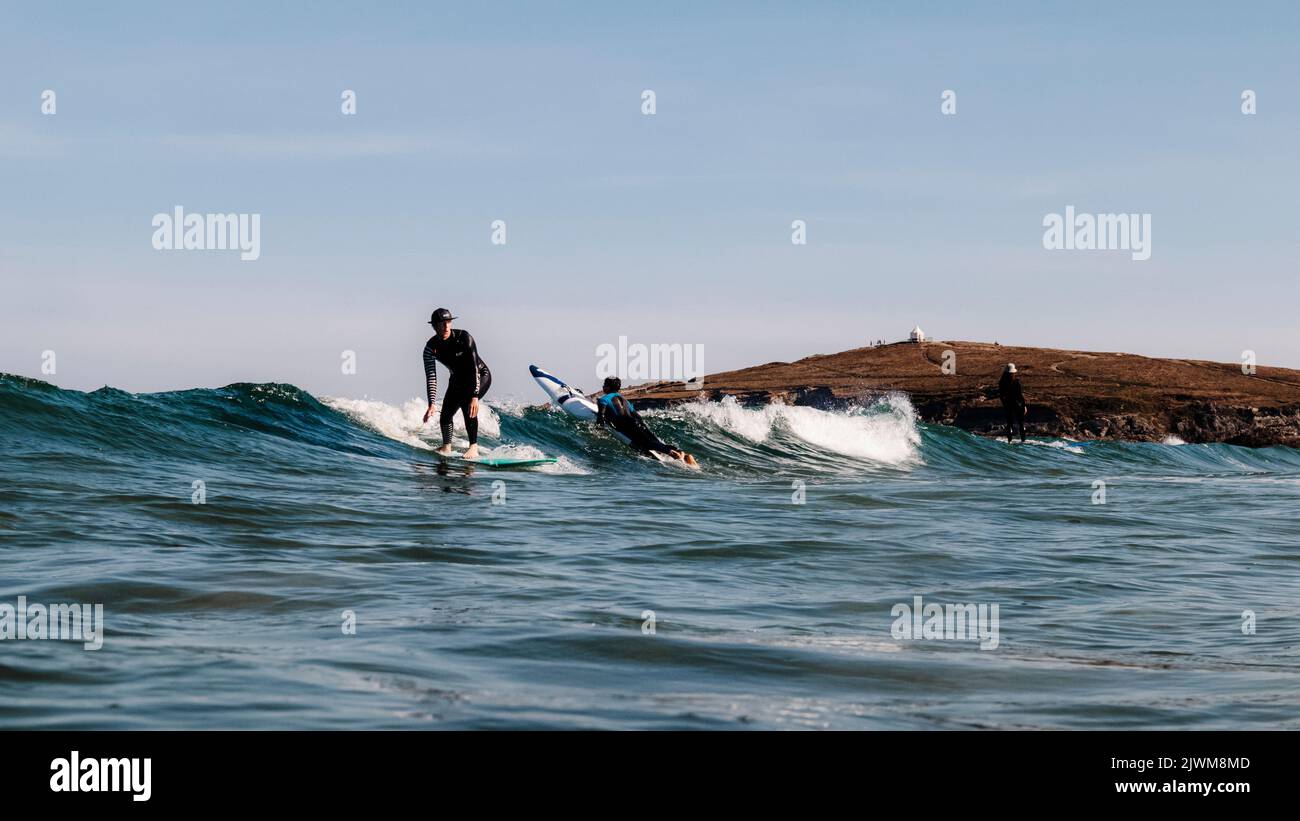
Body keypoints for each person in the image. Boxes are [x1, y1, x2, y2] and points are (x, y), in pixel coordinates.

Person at [421, 308, 492, 459]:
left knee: (468, 406)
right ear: (434, 326)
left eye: (448, 323)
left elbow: (474, 369)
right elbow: (431, 377)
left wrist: (474, 396)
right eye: (442, 324)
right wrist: (431, 403)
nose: (446, 327)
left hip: (480, 375)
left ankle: (473, 447)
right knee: (445, 415)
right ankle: (446, 446)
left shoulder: (464, 337)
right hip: (457, 379)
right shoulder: (430, 348)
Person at [595, 377, 697, 466]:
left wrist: (598, 429)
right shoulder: (624, 400)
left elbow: (601, 416)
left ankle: (672, 453)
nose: (603, 387)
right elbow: (637, 416)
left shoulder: (603, 399)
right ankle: (683, 454)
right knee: (655, 442)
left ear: (608, 387)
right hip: (638, 424)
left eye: (604, 385)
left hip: (627, 425)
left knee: (647, 445)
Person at [998, 363, 1027, 443]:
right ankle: (1023, 441)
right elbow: (1020, 396)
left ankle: (1009, 441)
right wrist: (1024, 406)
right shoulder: (1016, 382)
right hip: (1018, 404)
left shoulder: (1002, 382)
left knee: (1009, 424)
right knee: (1021, 423)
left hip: (1008, 404)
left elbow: (1001, 396)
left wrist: (1004, 404)